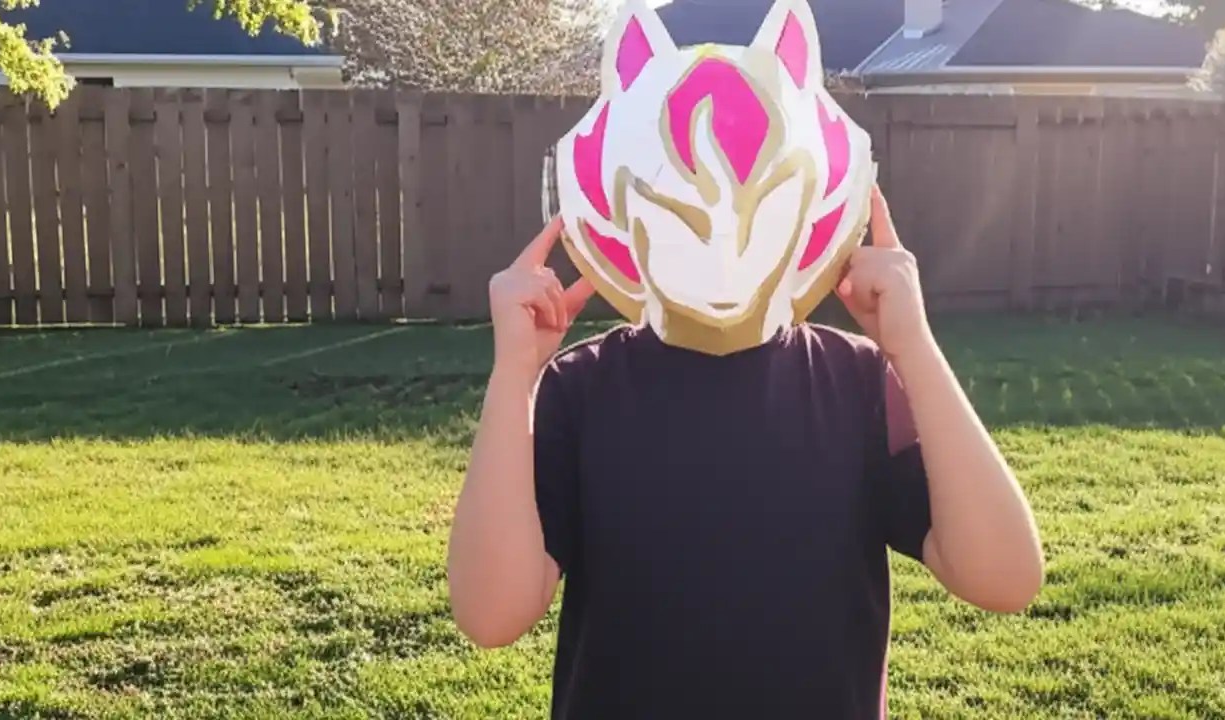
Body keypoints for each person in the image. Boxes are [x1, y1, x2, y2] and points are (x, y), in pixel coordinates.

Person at [447, 186, 1044, 719]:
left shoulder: (858, 381)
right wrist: (515, 376)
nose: (719, 224)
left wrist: (912, 346)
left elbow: (1005, 577)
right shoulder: (581, 388)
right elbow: (491, 614)